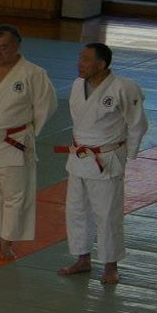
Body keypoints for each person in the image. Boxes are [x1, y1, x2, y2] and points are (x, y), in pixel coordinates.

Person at [58, 41, 148, 285]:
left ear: (102, 64)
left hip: (106, 160)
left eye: (86, 60)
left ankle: (111, 265)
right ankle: (82, 258)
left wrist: (129, 155)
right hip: (79, 158)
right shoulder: (77, 85)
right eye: (80, 58)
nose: (80, 64)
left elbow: (138, 124)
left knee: (107, 215)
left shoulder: (124, 87)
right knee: (76, 211)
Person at [0, 23, 58, 261]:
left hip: (14, 142)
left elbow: (46, 105)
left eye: (4, 47)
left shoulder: (33, 73)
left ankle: (7, 241)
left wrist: (27, 130)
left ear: (17, 46)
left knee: (14, 196)